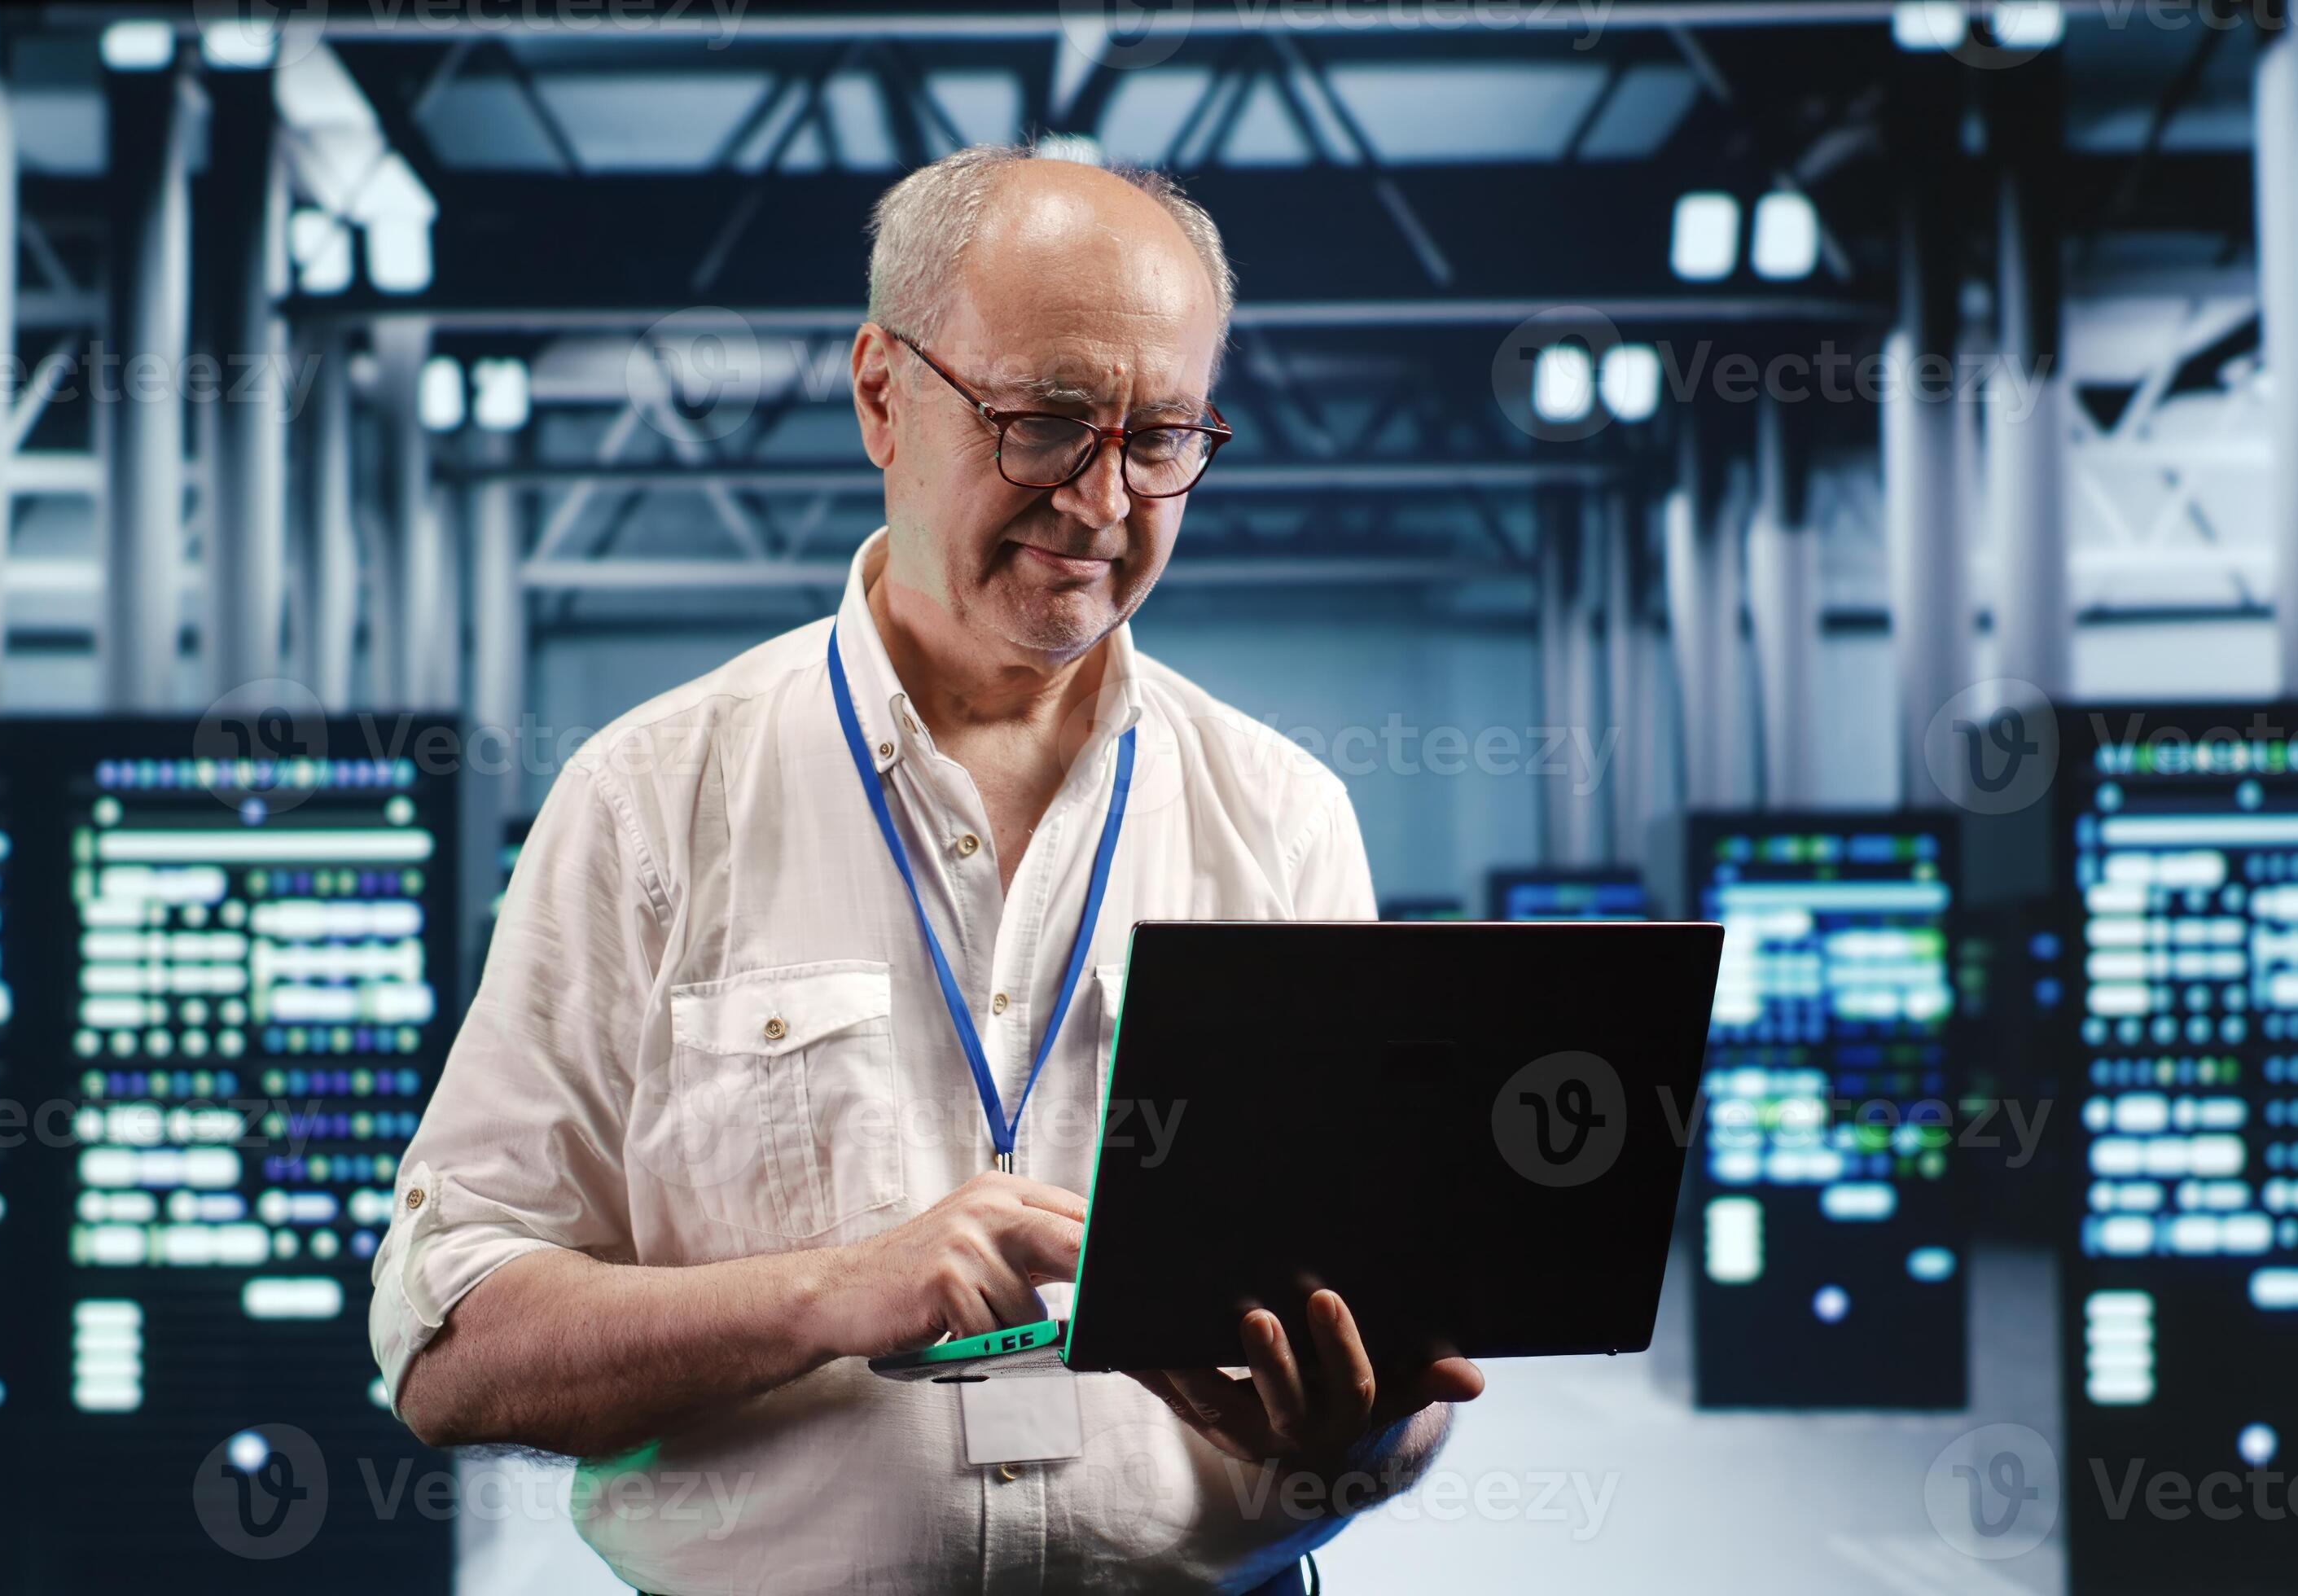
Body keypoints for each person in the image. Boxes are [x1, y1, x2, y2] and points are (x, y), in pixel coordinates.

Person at [371, 144, 1484, 1595]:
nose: (1099, 505)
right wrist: (832, 1297)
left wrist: (1364, 1423)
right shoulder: (652, 803)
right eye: (1045, 423)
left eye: (1157, 440)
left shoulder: (1282, 820)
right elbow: (448, 1348)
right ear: (883, 395)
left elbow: (1394, 1394)